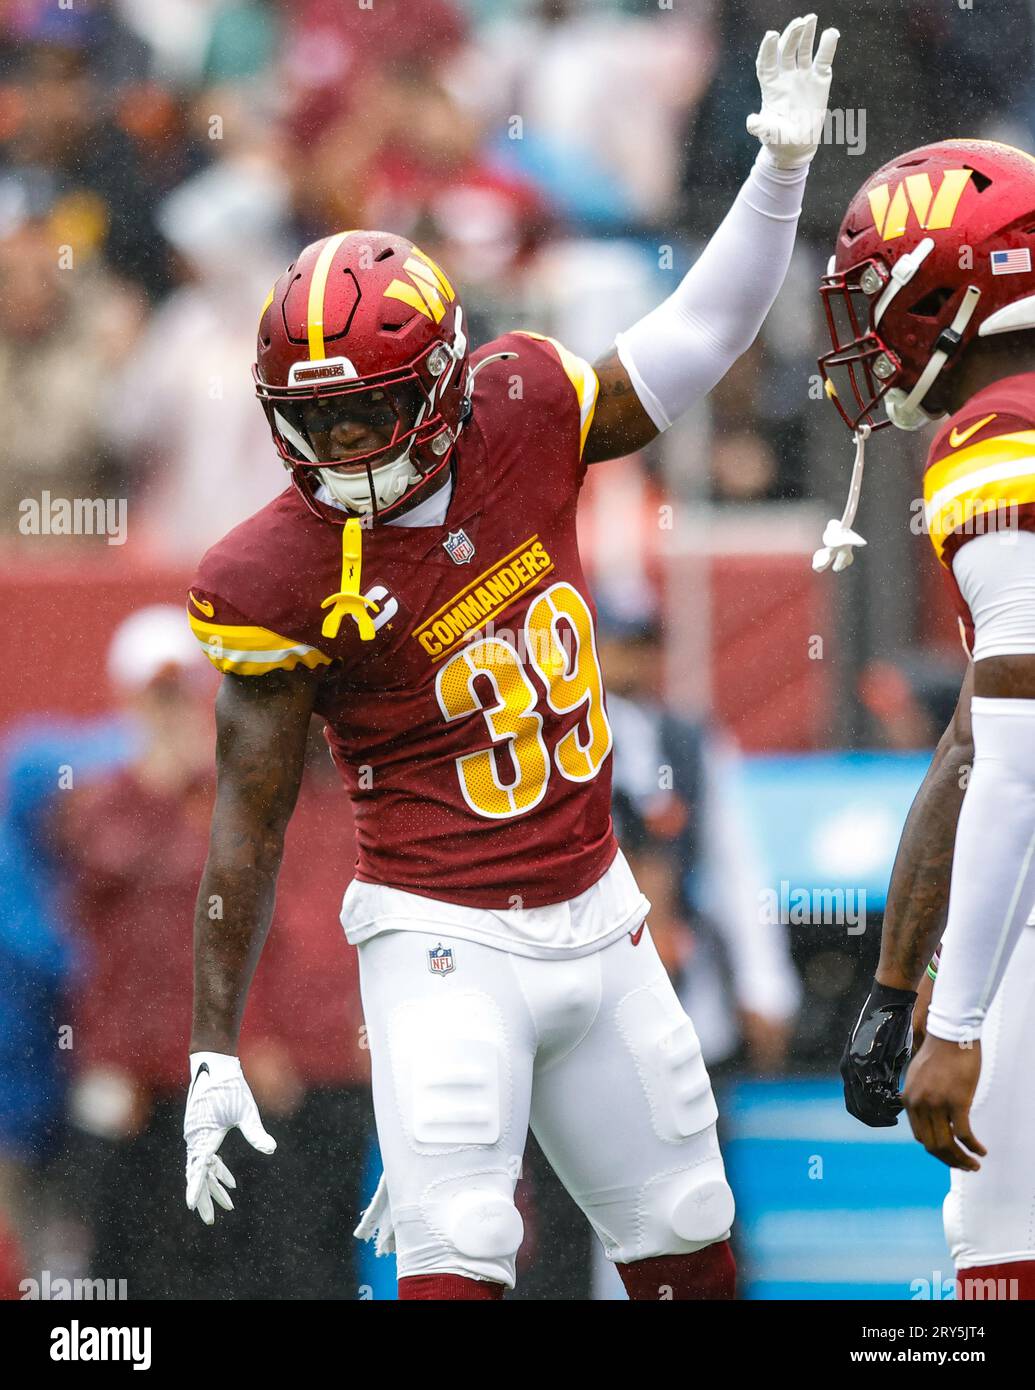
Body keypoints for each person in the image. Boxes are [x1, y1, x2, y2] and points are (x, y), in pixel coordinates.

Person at [181, 17, 839, 1301]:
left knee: (690, 1226)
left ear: (442, 378)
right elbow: (247, 815)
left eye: (371, 406)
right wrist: (214, 1040)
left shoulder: (525, 407)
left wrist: (777, 175)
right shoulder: (272, 572)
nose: (351, 444)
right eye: (319, 420)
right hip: (441, 940)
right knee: (464, 1246)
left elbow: (697, 339)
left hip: (601, 912)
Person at [825, 140, 1035, 1299]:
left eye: (876, 296)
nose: (868, 333)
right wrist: (895, 987)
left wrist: (950, 1024)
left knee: (997, 1252)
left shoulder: (996, 429)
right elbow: (970, 740)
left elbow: (1015, 761)